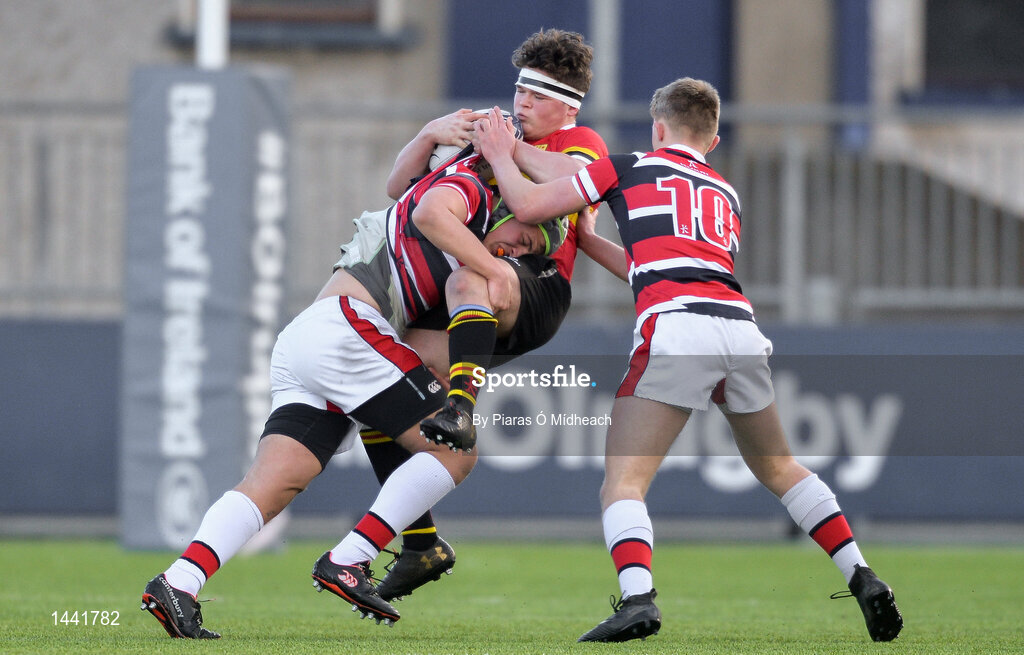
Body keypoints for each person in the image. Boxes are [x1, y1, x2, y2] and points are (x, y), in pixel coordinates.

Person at [474, 78, 904, 643]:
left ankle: (637, 600)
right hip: (740, 330)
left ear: (657, 127)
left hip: (677, 328)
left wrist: (504, 153)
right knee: (780, 468)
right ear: (714, 139)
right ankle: (862, 575)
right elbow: (653, 265)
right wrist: (587, 233)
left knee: (623, 483)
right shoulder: (725, 194)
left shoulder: (631, 165)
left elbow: (530, 202)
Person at [139, 137, 560, 638]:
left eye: (527, 252)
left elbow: (403, 187)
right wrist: (495, 267)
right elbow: (430, 211)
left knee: (275, 480)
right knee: (456, 451)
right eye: (526, 238)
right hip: (346, 328)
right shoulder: (472, 187)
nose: (516, 251)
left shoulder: (458, 200)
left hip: (310, 337)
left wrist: (430, 135)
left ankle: (178, 581)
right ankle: (351, 558)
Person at [356, 28, 616, 603]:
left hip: (536, 289)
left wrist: (501, 149)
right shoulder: (500, 132)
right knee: (378, 382)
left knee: (472, 275)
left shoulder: (583, 143)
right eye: (520, 90)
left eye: (538, 96)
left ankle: (462, 409)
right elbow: (401, 193)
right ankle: (422, 544)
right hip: (475, 294)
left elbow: (568, 188)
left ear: (568, 106)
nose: (522, 104)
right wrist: (429, 136)